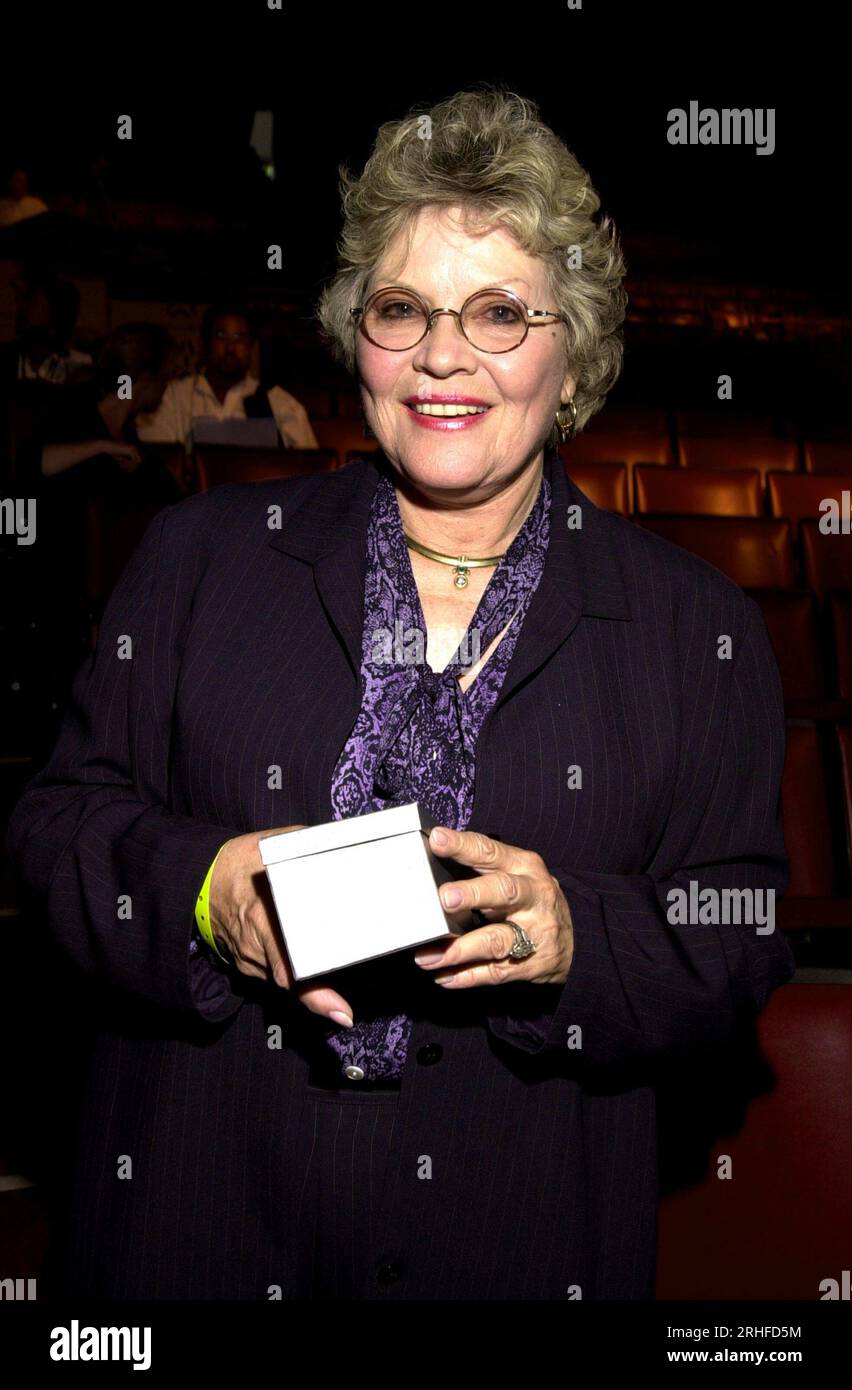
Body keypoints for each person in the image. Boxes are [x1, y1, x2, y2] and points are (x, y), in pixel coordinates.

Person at [6, 88, 795, 1302]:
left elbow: (738, 932)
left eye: (498, 313)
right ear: (355, 331)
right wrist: (209, 892)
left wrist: (580, 937)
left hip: (519, 1241)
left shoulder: (701, 632)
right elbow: (51, 834)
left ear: (571, 344)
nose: (442, 356)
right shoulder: (199, 558)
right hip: (190, 1229)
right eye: (402, 309)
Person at [134, 302, 319, 451]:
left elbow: (309, 470)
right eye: (221, 336)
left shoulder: (279, 402)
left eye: (239, 337)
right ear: (204, 343)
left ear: (251, 347)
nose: (230, 347)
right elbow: (158, 459)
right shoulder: (173, 396)